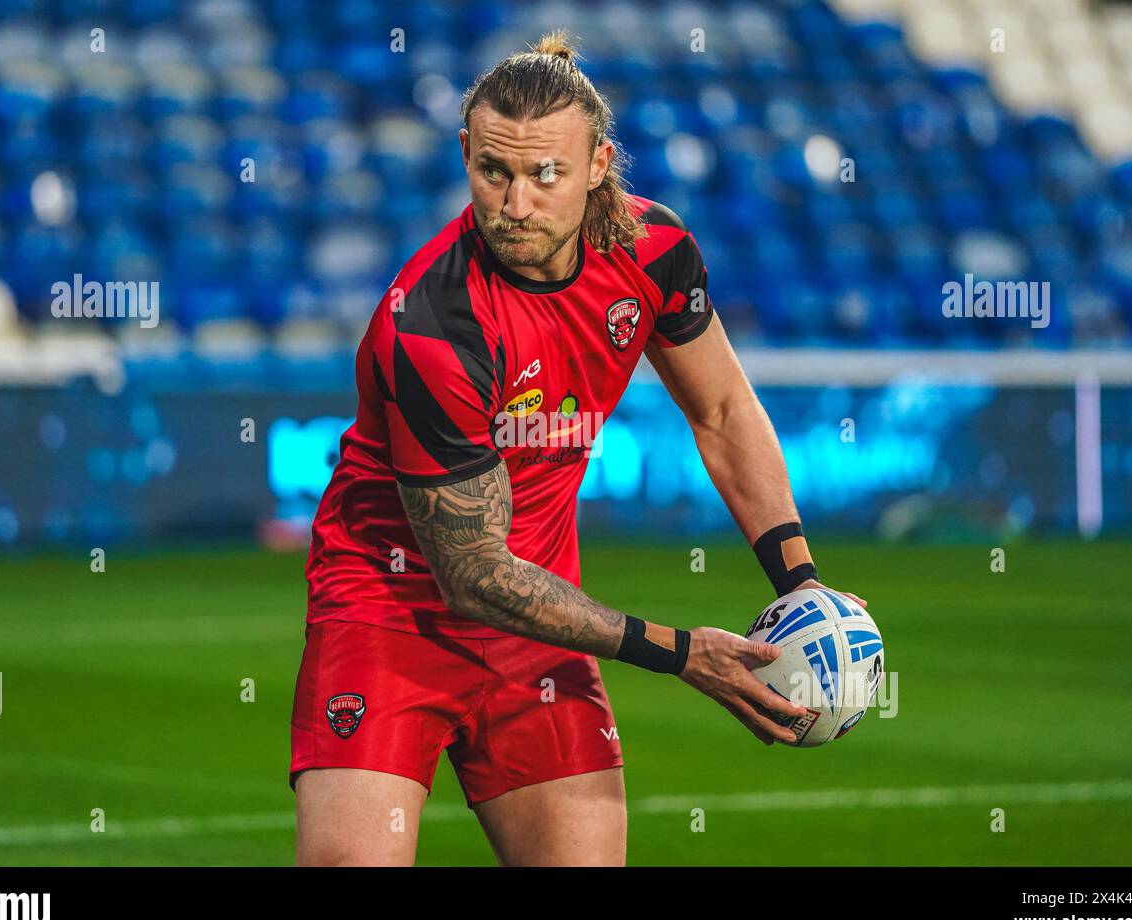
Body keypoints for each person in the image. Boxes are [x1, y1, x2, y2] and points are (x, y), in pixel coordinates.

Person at [291, 29, 866, 866]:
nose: (515, 204)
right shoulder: (432, 324)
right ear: (464, 155)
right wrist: (677, 652)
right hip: (389, 617)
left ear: (598, 165)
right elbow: (475, 574)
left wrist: (801, 584)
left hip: (539, 629)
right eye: (494, 172)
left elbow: (721, 409)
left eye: (543, 174)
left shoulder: (654, 252)